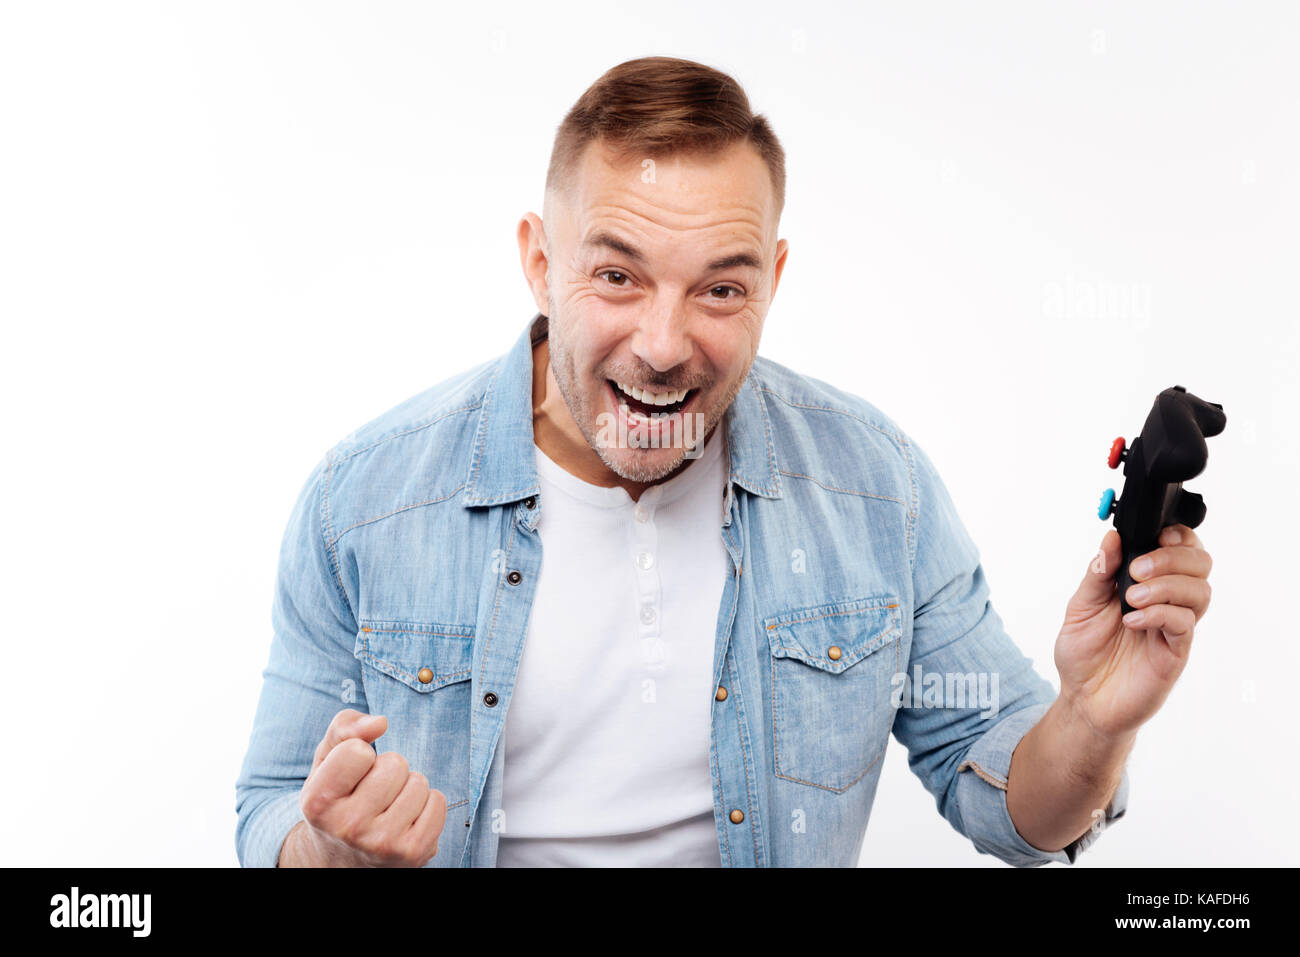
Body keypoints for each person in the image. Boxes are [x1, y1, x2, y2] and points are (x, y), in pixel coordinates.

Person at [235, 56, 1214, 868]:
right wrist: (330, 851)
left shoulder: (877, 490)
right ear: (540, 262)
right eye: (616, 276)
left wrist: (1092, 719)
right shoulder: (360, 502)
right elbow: (268, 809)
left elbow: (1012, 803)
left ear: (773, 280)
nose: (663, 345)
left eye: (719, 289)